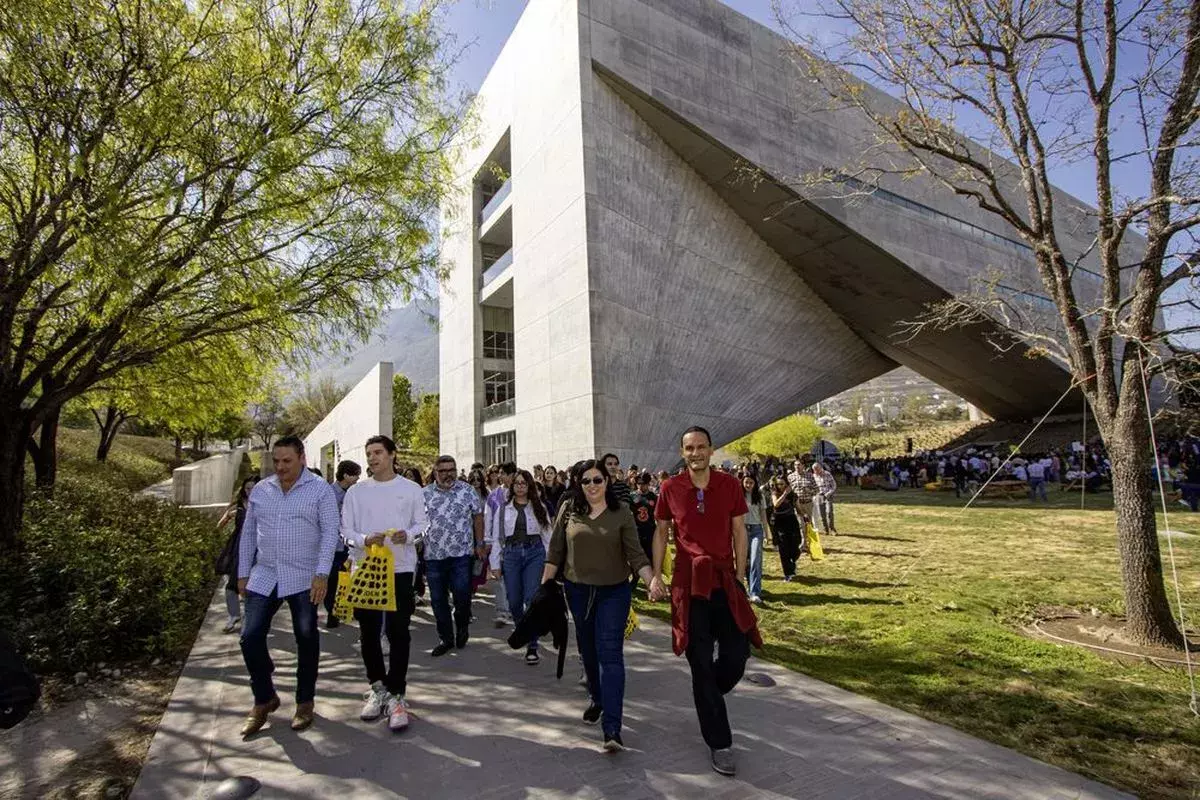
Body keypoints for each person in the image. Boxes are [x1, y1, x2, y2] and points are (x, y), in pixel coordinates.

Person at [648, 426, 761, 778]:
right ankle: (720, 742)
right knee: (699, 661)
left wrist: (741, 576)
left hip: (724, 581)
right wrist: (656, 576)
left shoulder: (728, 485)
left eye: (700, 447)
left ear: (711, 450)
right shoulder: (670, 488)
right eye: (688, 448)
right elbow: (661, 532)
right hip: (687, 585)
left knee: (736, 654)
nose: (695, 453)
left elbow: (740, 531)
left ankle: (707, 693)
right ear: (683, 452)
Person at [543, 460, 652, 752]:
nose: (592, 485)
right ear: (579, 484)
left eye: (598, 480)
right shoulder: (569, 510)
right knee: (588, 652)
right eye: (586, 481)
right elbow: (555, 551)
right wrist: (545, 587)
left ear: (607, 481)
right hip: (577, 591)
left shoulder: (622, 513)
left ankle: (612, 728)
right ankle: (597, 697)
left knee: (610, 655)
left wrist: (652, 581)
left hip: (614, 593)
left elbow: (636, 555)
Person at [236, 436, 340, 737]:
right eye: (277, 461)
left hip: (303, 576)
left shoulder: (319, 490)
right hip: (265, 574)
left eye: (287, 461)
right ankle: (264, 698)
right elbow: (248, 535)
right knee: (249, 638)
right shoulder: (261, 490)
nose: (280, 467)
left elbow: (330, 533)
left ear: (302, 458)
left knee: (306, 637)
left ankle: (305, 701)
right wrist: (242, 573)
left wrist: (322, 574)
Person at [341, 436, 426, 732]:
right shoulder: (356, 492)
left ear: (392, 455)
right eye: (369, 454)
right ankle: (378, 688)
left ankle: (397, 695)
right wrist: (364, 539)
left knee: (399, 631)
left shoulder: (411, 489)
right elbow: (346, 531)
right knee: (368, 632)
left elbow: (422, 525)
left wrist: (410, 535)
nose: (372, 458)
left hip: (401, 568)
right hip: (367, 569)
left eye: (378, 452)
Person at [487, 469, 552, 665]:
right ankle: (522, 627)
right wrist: (495, 564)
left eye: (524, 483)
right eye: (517, 483)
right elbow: (498, 538)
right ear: (512, 486)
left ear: (530, 485)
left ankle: (532, 645)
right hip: (512, 555)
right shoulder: (503, 508)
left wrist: (550, 563)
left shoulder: (538, 506)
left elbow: (547, 536)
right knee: (514, 601)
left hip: (534, 553)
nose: (521, 486)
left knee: (531, 598)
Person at [423, 455, 486, 656]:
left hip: (461, 554)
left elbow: (478, 518)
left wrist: (480, 543)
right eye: (443, 471)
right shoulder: (423, 495)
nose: (448, 474)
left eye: (452, 470)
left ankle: (462, 626)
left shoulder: (467, 491)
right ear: (435, 473)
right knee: (438, 600)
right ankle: (446, 638)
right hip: (434, 555)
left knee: (462, 595)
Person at [216, 476, 259, 633]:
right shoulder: (239, 507)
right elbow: (219, 525)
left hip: (258, 550)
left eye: (253, 488)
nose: (250, 491)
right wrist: (228, 516)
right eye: (247, 488)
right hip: (238, 549)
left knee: (251, 587)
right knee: (231, 586)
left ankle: (250, 620)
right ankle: (234, 615)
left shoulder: (265, 505)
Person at [325, 460, 361, 628]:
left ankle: (346, 609)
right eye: (356, 475)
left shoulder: (354, 494)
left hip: (351, 545)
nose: (358, 478)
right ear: (346, 475)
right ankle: (332, 612)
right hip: (334, 546)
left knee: (350, 579)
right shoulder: (328, 493)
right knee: (332, 581)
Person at [486, 462, 517, 627]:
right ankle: (501, 611)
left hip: (516, 542)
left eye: (504, 473)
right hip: (499, 541)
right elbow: (488, 518)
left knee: (513, 578)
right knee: (498, 577)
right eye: (499, 473)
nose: (500, 476)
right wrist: (487, 539)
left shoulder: (520, 492)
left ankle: (514, 610)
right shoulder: (494, 495)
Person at [741, 473, 767, 604]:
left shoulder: (759, 496)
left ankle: (755, 592)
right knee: (744, 560)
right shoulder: (739, 496)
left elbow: (763, 515)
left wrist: (767, 534)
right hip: (742, 530)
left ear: (755, 484)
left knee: (755, 559)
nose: (748, 485)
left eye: (751, 483)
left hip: (757, 530)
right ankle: (746, 586)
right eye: (746, 482)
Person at [629, 472, 658, 589]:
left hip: (650, 531)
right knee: (635, 556)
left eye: (644, 484)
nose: (641, 486)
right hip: (636, 531)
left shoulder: (653, 497)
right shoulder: (632, 496)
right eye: (639, 483)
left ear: (648, 484)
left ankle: (651, 582)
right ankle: (635, 579)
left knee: (650, 557)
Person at [769, 476, 802, 580]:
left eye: (782, 484)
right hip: (779, 522)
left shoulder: (793, 495)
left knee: (795, 544)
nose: (780, 486)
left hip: (791, 521)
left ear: (787, 484)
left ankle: (793, 560)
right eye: (778, 484)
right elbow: (776, 504)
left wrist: (804, 516)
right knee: (783, 548)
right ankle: (788, 573)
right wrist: (784, 494)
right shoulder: (775, 493)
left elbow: (798, 508)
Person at [811, 461, 838, 536]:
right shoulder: (813, 476)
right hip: (819, 495)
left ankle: (832, 528)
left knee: (829, 512)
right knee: (822, 513)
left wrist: (829, 493)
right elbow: (813, 487)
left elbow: (834, 486)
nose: (816, 471)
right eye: (814, 470)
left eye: (817, 469)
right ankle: (825, 529)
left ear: (820, 468)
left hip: (828, 495)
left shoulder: (827, 474)